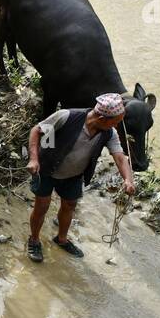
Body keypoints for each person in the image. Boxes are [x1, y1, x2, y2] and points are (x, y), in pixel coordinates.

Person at [25, 93, 136, 262]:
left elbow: (120, 157)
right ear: (101, 117)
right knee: (42, 206)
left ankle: (61, 239)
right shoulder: (67, 117)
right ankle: (34, 240)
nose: (117, 125)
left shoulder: (109, 133)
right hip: (47, 169)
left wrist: (128, 179)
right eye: (116, 121)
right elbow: (37, 131)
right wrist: (34, 159)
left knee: (69, 205)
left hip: (74, 175)